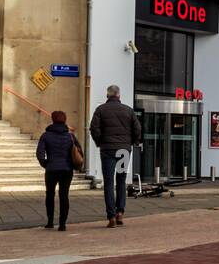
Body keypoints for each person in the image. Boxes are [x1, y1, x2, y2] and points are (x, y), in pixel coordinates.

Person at [89, 85, 142, 228]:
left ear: (108, 95)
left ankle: (111, 215)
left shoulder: (100, 110)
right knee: (121, 180)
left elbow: (93, 128)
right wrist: (132, 142)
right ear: (119, 95)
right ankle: (120, 212)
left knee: (108, 182)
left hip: (107, 151)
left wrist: (100, 142)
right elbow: (137, 128)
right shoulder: (128, 110)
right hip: (124, 150)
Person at [36, 111, 80, 231]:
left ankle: (50, 222)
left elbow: (40, 153)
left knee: (50, 194)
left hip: (51, 169)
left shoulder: (46, 135)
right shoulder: (70, 136)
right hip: (66, 170)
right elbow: (79, 151)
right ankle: (62, 224)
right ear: (65, 120)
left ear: (52, 119)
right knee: (64, 195)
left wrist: (45, 164)